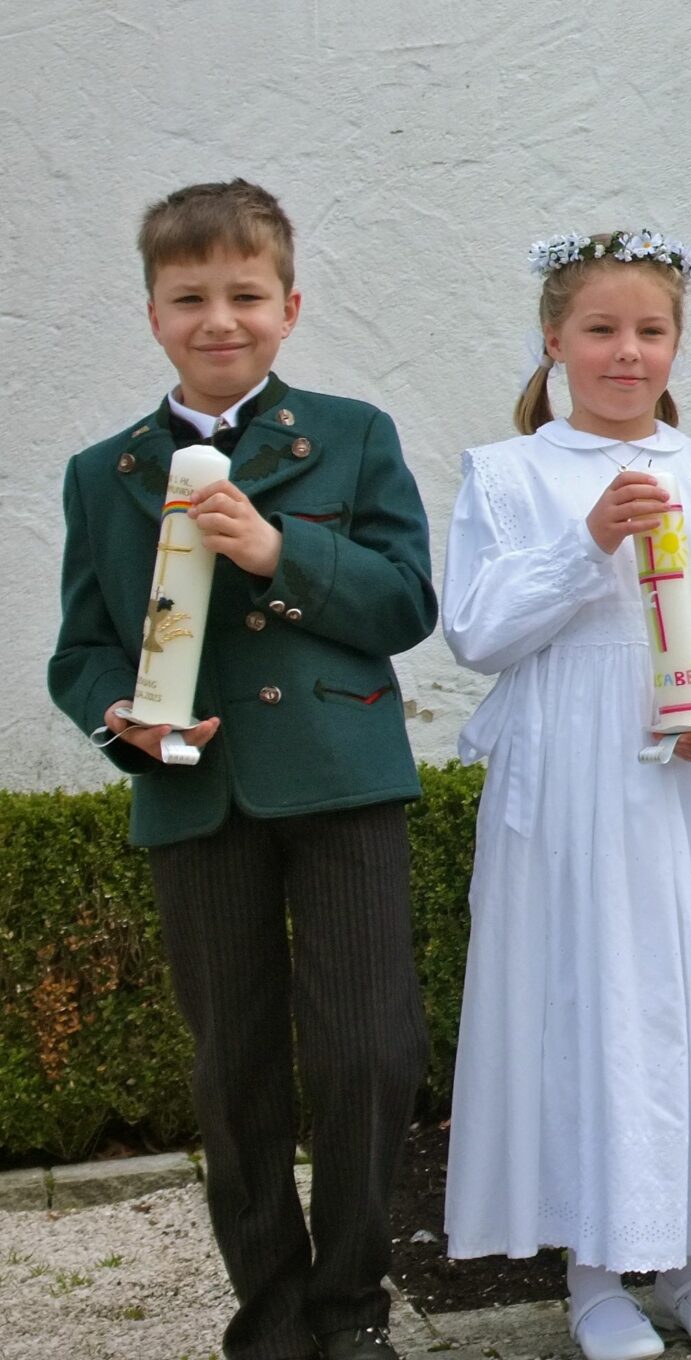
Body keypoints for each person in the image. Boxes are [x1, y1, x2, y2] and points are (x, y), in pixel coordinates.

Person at [47, 178, 436, 1360]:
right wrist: (118, 716)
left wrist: (280, 551)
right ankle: (270, 1314)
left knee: (370, 1052)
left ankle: (352, 1302)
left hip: (341, 775)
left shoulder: (354, 432)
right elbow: (81, 648)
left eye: (246, 295)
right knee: (236, 1066)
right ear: (154, 313)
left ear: (290, 303)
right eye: (190, 298)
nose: (221, 319)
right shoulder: (100, 471)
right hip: (194, 791)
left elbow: (407, 602)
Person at [442, 230, 691, 1358]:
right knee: (590, 996)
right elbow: (475, 628)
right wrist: (581, 547)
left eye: (650, 331)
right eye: (601, 330)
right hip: (572, 772)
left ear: (676, 343)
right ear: (556, 340)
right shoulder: (510, 474)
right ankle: (594, 1271)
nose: (627, 352)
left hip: (689, 774)